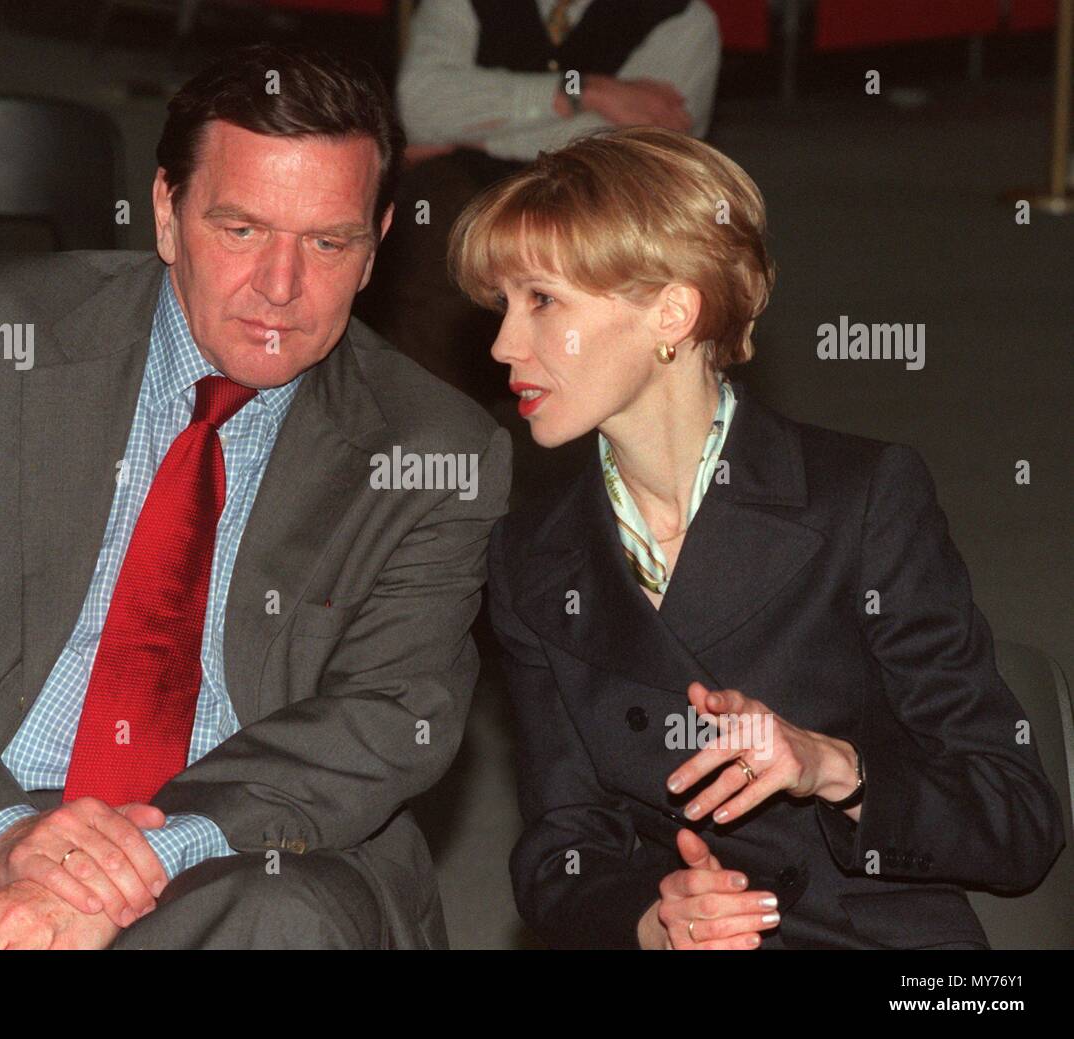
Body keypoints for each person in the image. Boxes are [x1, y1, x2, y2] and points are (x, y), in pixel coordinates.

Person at [0, 43, 511, 950]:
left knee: (284, 921)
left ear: (377, 245)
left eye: (328, 242)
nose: (281, 289)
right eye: (240, 230)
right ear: (167, 214)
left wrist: (129, 866)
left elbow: (392, 715)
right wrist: (1, 839)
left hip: (239, 858)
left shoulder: (434, 447)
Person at [448, 125, 1066, 949]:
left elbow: (1016, 818)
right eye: (502, 306)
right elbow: (562, 848)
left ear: (671, 310)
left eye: (542, 301)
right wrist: (654, 915)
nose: (502, 345)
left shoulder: (861, 500)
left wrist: (830, 767)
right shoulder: (530, 560)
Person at [355, 0, 722, 402]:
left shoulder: (684, 17)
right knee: (430, 244)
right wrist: (585, 91)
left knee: (591, 267)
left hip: (600, 201)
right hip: (464, 193)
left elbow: (639, 148)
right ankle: (429, 429)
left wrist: (471, 133)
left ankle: (573, 420)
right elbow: (421, 104)